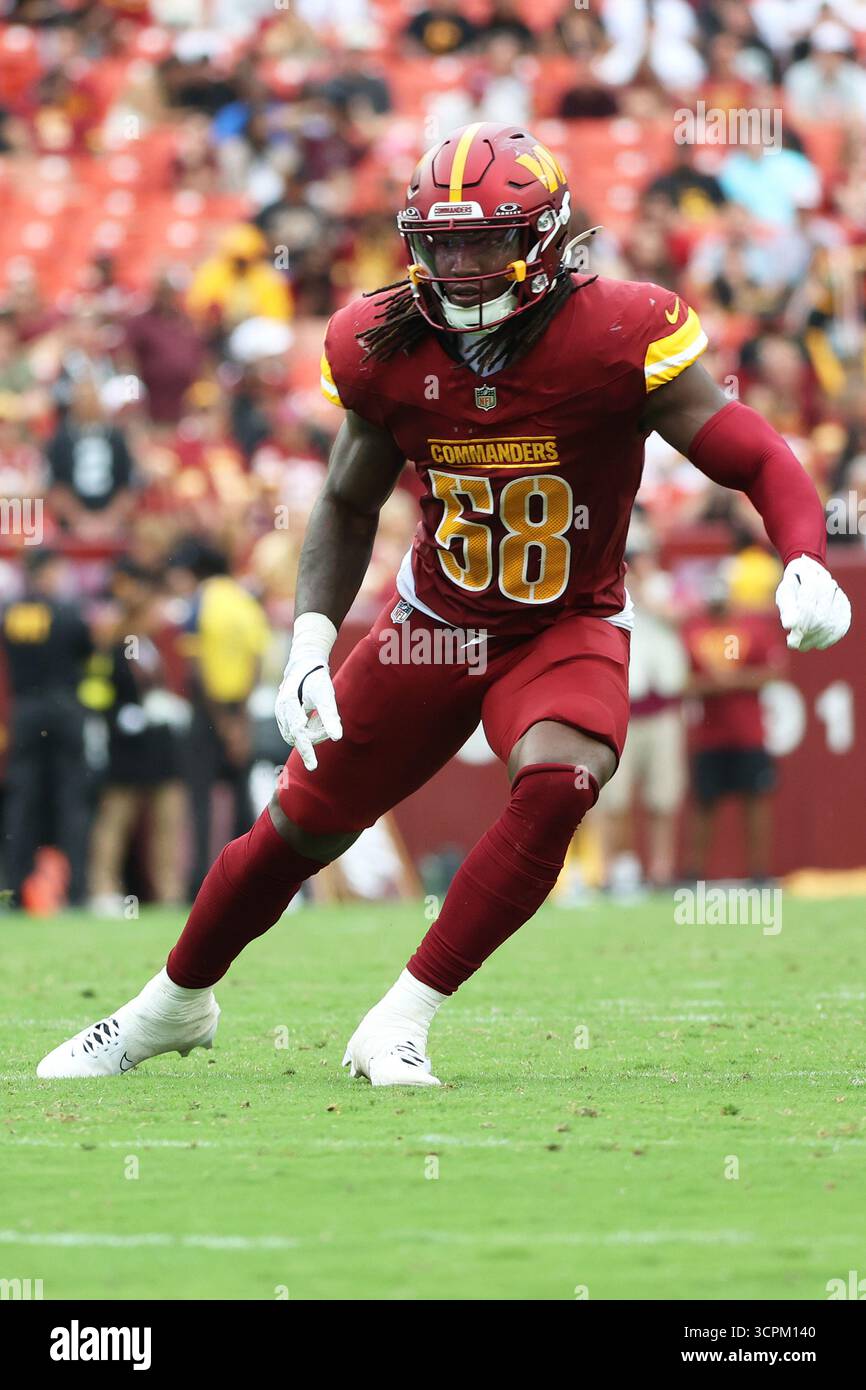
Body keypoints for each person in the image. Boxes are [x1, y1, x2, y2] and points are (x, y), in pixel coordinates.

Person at [38, 122, 852, 1084]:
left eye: (487, 239)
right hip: (434, 624)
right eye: (442, 240)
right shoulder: (385, 341)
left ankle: (400, 1017)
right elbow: (346, 499)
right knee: (299, 829)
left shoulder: (617, 332)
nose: (460, 264)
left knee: (560, 780)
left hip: (564, 619)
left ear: (543, 240)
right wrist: (308, 640)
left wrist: (805, 553)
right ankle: (168, 1007)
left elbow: (753, 450)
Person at [2, 550, 92, 908]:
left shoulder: (9, 612)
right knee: (71, 799)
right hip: (64, 708)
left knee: (22, 801)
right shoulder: (68, 611)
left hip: (24, 710)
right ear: (45, 573)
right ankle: (77, 890)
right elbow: (86, 651)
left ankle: (14, 890)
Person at [682, 572, 786, 882]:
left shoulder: (753, 628)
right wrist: (717, 684)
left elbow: (774, 672)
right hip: (710, 735)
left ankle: (759, 872)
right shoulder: (694, 629)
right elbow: (682, 681)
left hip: (749, 732)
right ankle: (695, 872)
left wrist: (731, 681)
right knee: (704, 804)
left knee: (755, 800)